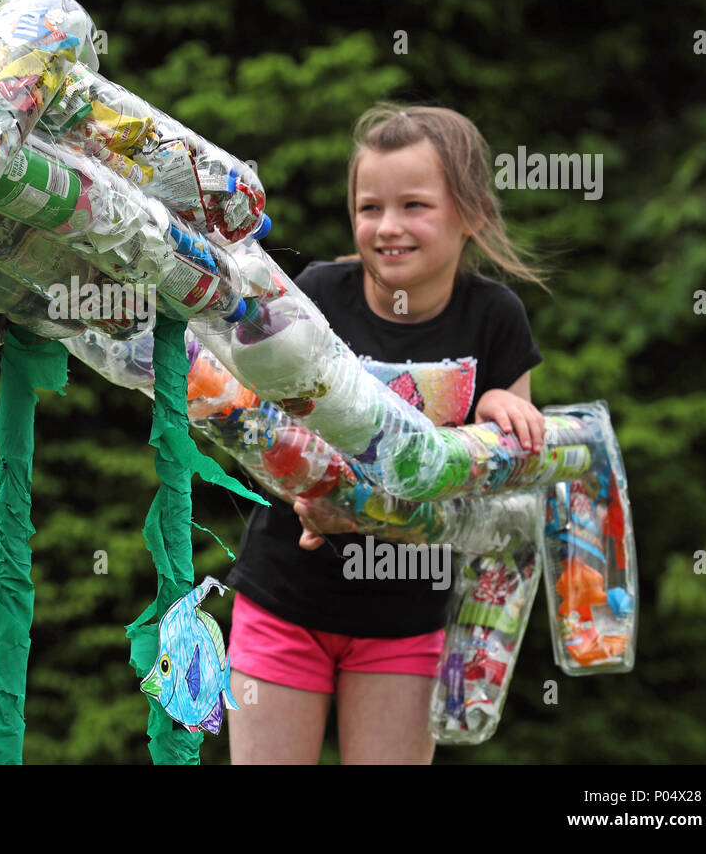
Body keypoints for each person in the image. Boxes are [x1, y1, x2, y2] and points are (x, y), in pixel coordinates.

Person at [226, 104, 548, 764]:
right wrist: (305, 492)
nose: (389, 227)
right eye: (370, 207)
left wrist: (496, 406)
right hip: (285, 601)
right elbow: (264, 431)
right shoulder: (316, 295)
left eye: (415, 206)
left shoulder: (495, 317)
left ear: (474, 213)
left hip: (409, 624)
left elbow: (508, 498)